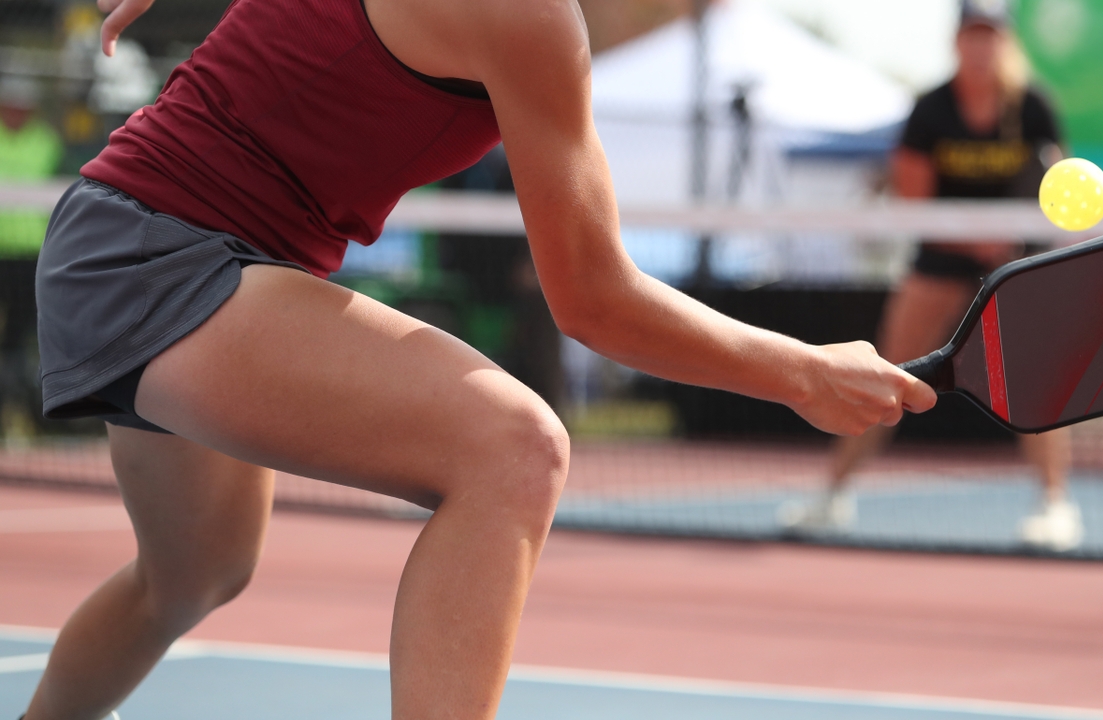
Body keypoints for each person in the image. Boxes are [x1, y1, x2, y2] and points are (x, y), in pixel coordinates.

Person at [21, 0, 935, 718]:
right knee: (511, 448)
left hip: (146, 242)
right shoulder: (530, 18)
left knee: (197, 572)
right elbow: (595, 301)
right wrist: (801, 371)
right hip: (160, 254)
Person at [778, 0, 1082, 552]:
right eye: (972, 34)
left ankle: (1056, 505)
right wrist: (976, 239)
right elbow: (914, 202)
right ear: (957, 42)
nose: (981, 45)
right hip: (939, 263)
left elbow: (1059, 193)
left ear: (1006, 42)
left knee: (1039, 386)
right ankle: (833, 496)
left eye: (991, 35)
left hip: (1014, 269)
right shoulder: (932, 110)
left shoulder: (1033, 108)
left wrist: (1017, 241)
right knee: (886, 375)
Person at [0, 75, 63, 443]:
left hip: (30, 258)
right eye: (12, 104)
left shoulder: (47, 142)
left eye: (24, 106)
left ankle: (22, 415)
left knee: (23, 336)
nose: (18, 112)